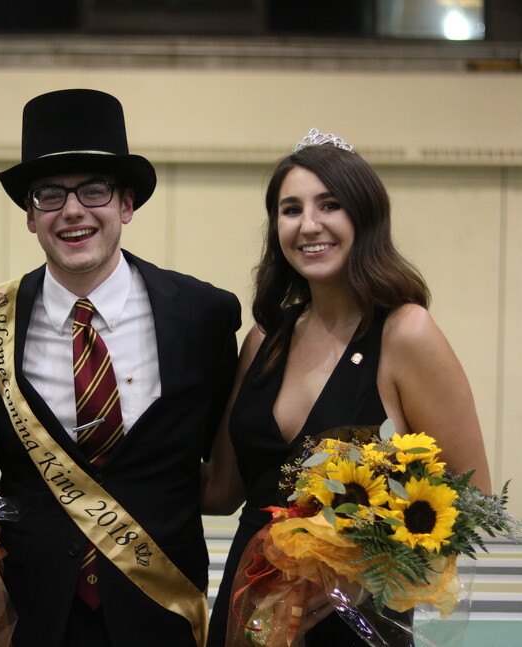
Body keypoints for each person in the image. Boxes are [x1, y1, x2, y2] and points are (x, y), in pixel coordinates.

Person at [0, 89, 241, 647]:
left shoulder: (203, 316)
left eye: (95, 190)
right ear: (30, 217)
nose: (73, 211)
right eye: (49, 195)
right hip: (31, 614)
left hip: (160, 608)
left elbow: (223, 465)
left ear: (127, 206)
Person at [205, 129, 492, 646]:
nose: (308, 224)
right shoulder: (263, 341)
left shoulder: (406, 332)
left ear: (364, 217)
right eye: (290, 209)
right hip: (250, 609)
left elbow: (472, 499)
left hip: (355, 624)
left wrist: (360, 583)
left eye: (329, 205)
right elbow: (222, 489)